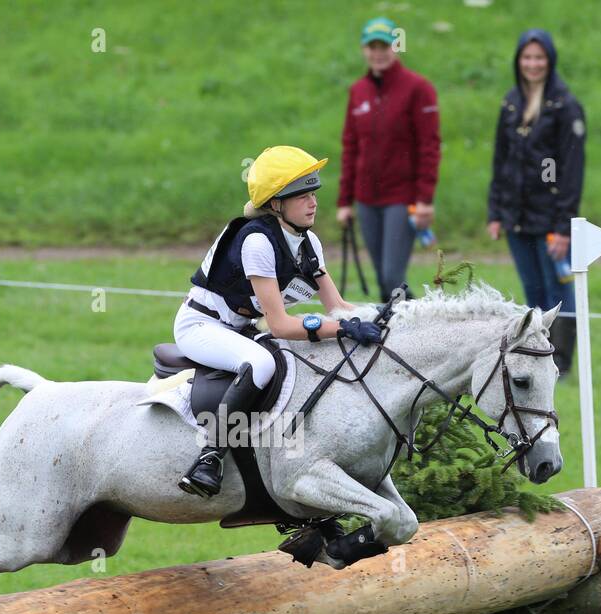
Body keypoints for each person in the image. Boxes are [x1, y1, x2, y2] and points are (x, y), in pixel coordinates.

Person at [175, 145, 382, 498]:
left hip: (241, 327)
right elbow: (282, 326)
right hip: (201, 326)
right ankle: (209, 456)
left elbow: (337, 306)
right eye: (301, 195)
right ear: (275, 204)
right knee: (260, 363)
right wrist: (345, 328)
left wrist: (382, 316)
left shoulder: (308, 241)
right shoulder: (257, 241)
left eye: (314, 192)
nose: (313, 202)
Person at [486, 28, 586, 375]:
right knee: (532, 288)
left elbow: (571, 171)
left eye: (539, 57)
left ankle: (564, 361)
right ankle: (539, 352)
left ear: (550, 61)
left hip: (551, 217)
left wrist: (564, 226)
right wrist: (495, 211)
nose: (532, 64)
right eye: (527, 57)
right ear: (519, 61)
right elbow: (501, 159)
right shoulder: (511, 101)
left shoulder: (565, 106)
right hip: (516, 215)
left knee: (558, 290)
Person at [337, 15, 441, 300]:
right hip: (366, 199)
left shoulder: (418, 88)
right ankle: (395, 339)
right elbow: (350, 147)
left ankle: (419, 331)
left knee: (392, 276)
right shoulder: (358, 91)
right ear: (364, 49)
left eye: (384, 46)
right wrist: (345, 201)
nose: (378, 53)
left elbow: (429, 146)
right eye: (372, 47)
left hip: (402, 198)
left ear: (395, 47)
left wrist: (424, 199)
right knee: (384, 280)